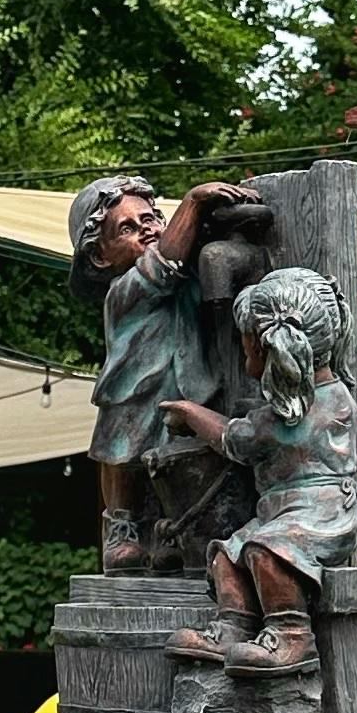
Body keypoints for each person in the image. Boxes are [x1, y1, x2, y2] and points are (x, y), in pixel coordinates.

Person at [67, 172, 276, 570]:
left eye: (149, 219)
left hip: (191, 386)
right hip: (135, 394)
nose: (145, 230)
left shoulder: (187, 271)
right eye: (127, 228)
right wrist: (194, 201)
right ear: (101, 256)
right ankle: (122, 528)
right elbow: (164, 265)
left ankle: (169, 531)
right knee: (124, 454)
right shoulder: (125, 289)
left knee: (179, 462)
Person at [166, 268, 357, 679]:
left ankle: (291, 634)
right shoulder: (340, 397)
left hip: (324, 514)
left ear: (270, 349)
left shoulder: (285, 417)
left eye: (246, 346)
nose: (244, 356)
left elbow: (235, 440)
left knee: (266, 550)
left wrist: (190, 413)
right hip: (284, 513)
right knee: (228, 552)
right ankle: (233, 627)